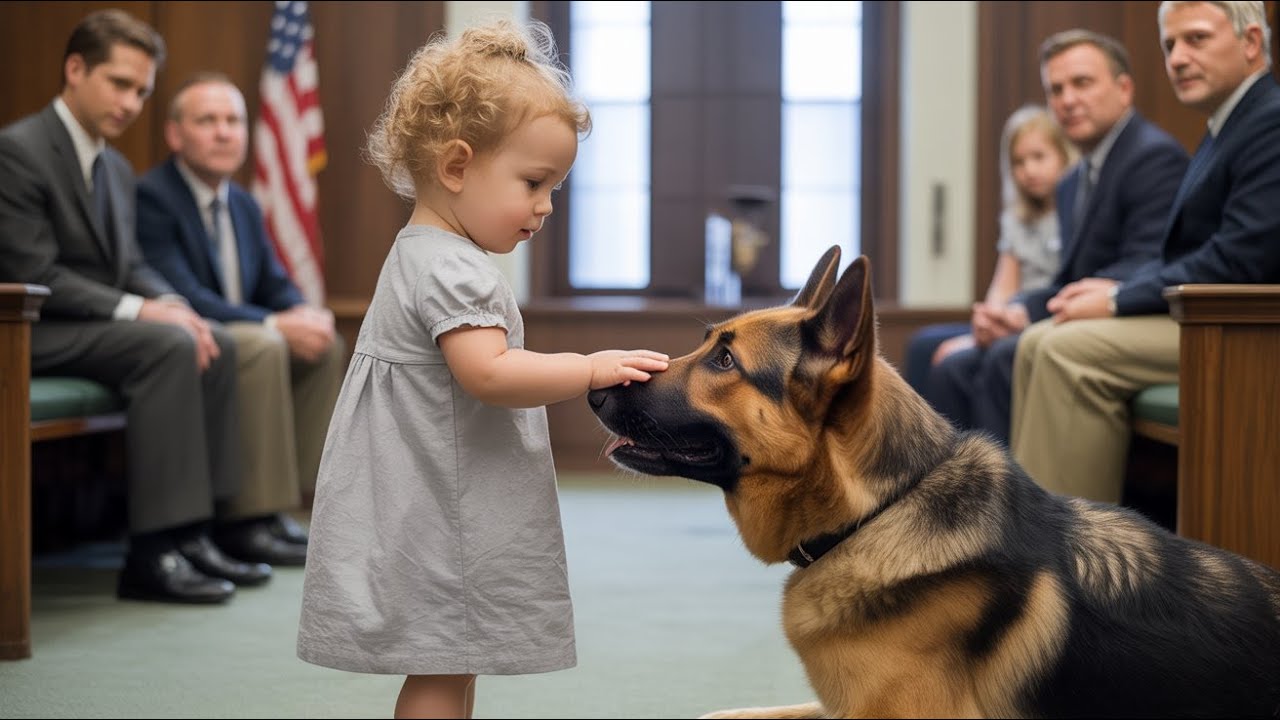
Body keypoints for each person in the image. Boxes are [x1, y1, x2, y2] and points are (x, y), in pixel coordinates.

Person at [295, 18, 670, 719]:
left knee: (454, 656)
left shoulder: (428, 251)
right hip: (440, 506)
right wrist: (589, 367)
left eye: (554, 187)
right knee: (442, 664)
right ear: (457, 166)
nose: (545, 207)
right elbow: (489, 374)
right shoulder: (451, 270)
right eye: (533, 182)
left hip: (432, 491)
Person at [0, 10, 277, 603]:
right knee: (166, 344)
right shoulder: (19, 151)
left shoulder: (116, 166)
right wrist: (141, 311)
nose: (131, 102)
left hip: (89, 328)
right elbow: (34, 273)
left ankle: (205, 530)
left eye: (142, 90)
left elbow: (128, 266)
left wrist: (175, 303)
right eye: (119, 83)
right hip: (30, 330)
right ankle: (153, 552)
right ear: (75, 70)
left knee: (212, 337)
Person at [1012, 0, 1280, 502]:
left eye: (1196, 39)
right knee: (1038, 339)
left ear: (1251, 43)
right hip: (1214, 317)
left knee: (1068, 352)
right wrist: (1118, 287)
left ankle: (1070, 562)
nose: (1177, 57)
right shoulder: (1229, 126)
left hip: (1252, 329)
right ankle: (1028, 538)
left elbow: (1240, 261)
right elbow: (1195, 253)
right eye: (1170, 44)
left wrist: (1117, 301)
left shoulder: (1269, 122)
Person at [922, 29, 1188, 444]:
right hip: (1080, 314)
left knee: (1005, 358)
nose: (1066, 100)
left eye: (1081, 83)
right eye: (1055, 89)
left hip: (1129, 319)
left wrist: (1034, 316)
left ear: (1124, 89)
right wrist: (1016, 310)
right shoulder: (1072, 182)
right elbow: (1070, 277)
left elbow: (1148, 264)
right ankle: (946, 503)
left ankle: (1008, 504)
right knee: (952, 367)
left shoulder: (1152, 156)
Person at [136, 72, 346, 564]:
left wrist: (301, 313)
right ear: (175, 134)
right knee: (262, 344)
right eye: (206, 121)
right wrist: (275, 325)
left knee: (323, 344)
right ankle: (246, 516)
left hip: (237, 333)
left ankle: (284, 505)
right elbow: (182, 295)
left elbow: (274, 282)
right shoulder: (153, 197)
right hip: (182, 335)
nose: (224, 132)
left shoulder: (245, 204)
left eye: (233, 120)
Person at [904, 104, 1074, 394]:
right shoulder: (1016, 220)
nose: (1028, 170)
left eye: (1039, 157)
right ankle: (914, 439)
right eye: (1019, 162)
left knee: (954, 361)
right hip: (1009, 320)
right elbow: (1002, 287)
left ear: (1063, 155)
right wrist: (986, 322)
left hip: (1044, 321)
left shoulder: (1075, 213)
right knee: (922, 346)